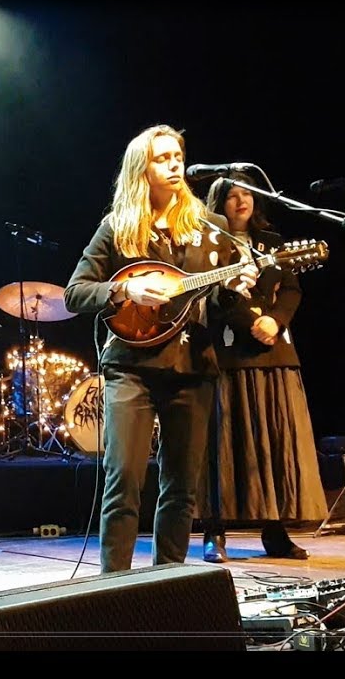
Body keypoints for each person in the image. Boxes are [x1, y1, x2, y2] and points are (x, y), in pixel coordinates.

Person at [63, 124, 257, 572]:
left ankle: (166, 583)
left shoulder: (212, 228)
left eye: (177, 157)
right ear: (141, 169)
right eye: (162, 158)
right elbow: (75, 293)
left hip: (192, 366)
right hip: (131, 367)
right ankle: (113, 585)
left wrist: (234, 290)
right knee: (124, 479)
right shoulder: (118, 228)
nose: (174, 165)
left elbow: (217, 305)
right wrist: (124, 290)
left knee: (181, 487)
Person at [196, 172, 327, 562]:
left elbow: (291, 289)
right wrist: (252, 321)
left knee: (275, 444)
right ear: (219, 203)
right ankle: (214, 532)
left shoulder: (272, 243)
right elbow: (212, 294)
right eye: (232, 196)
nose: (242, 202)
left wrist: (276, 320)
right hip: (228, 355)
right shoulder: (208, 243)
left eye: (247, 194)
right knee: (223, 445)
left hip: (275, 354)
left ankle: (275, 532)